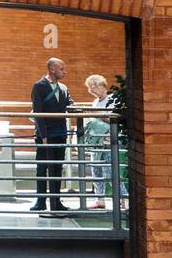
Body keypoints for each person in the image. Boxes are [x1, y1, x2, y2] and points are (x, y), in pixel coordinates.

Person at [30, 57, 81, 212]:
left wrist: (79, 110)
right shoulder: (39, 86)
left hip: (60, 133)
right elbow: (38, 112)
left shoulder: (63, 88)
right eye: (61, 69)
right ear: (52, 69)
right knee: (42, 168)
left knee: (58, 167)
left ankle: (56, 201)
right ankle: (40, 201)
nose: (64, 72)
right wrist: (43, 136)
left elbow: (69, 104)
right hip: (45, 134)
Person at [83, 74, 126, 208]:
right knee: (96, 170)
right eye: (89, 88)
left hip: (109, 139)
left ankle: (122, 198)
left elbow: (115, 119)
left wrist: (98, 115)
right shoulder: (96, 102)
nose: (91, 90)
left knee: (110, 171)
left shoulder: (112, 100)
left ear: (101, 85)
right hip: (97, 140)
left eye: (93, 87)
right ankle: (99, 199)